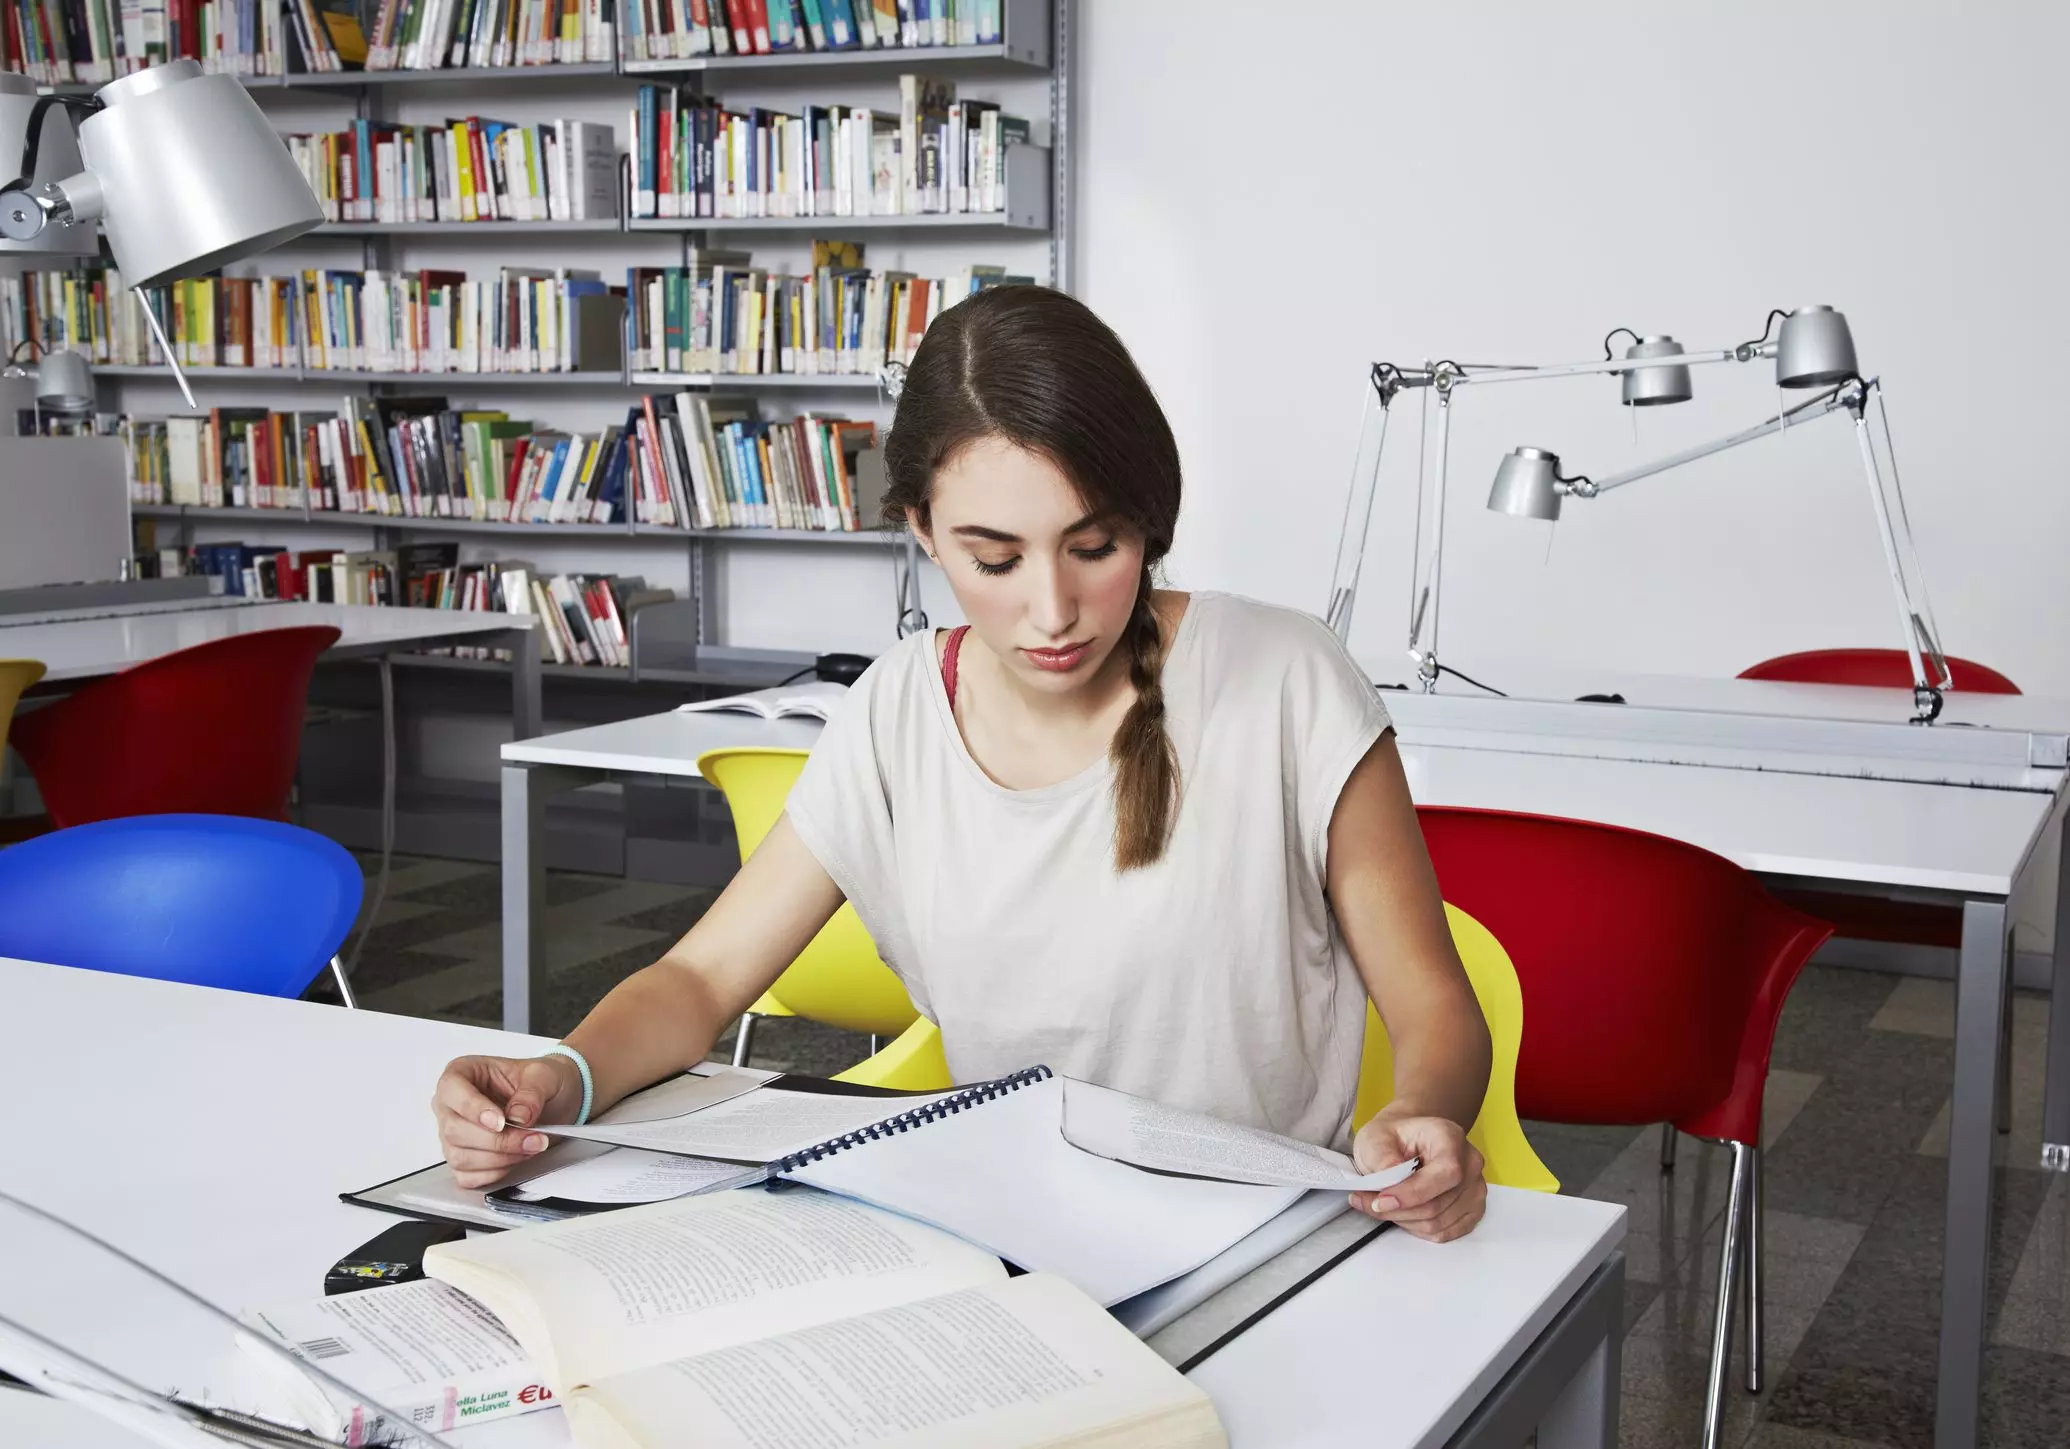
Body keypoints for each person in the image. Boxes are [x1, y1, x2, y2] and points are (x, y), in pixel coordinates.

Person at [433, 286, 1494, 1242]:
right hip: (1013, 1232)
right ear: (925, 535)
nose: (1052, 612)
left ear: (1150, 521)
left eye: (1097, 547)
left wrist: (1423, 1113)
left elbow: (1436, 1007)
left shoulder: (1287, 677)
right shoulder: (896, 708)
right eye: (994, 559)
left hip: (1258, 1236)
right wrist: (558, 1076)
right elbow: (700, 979)